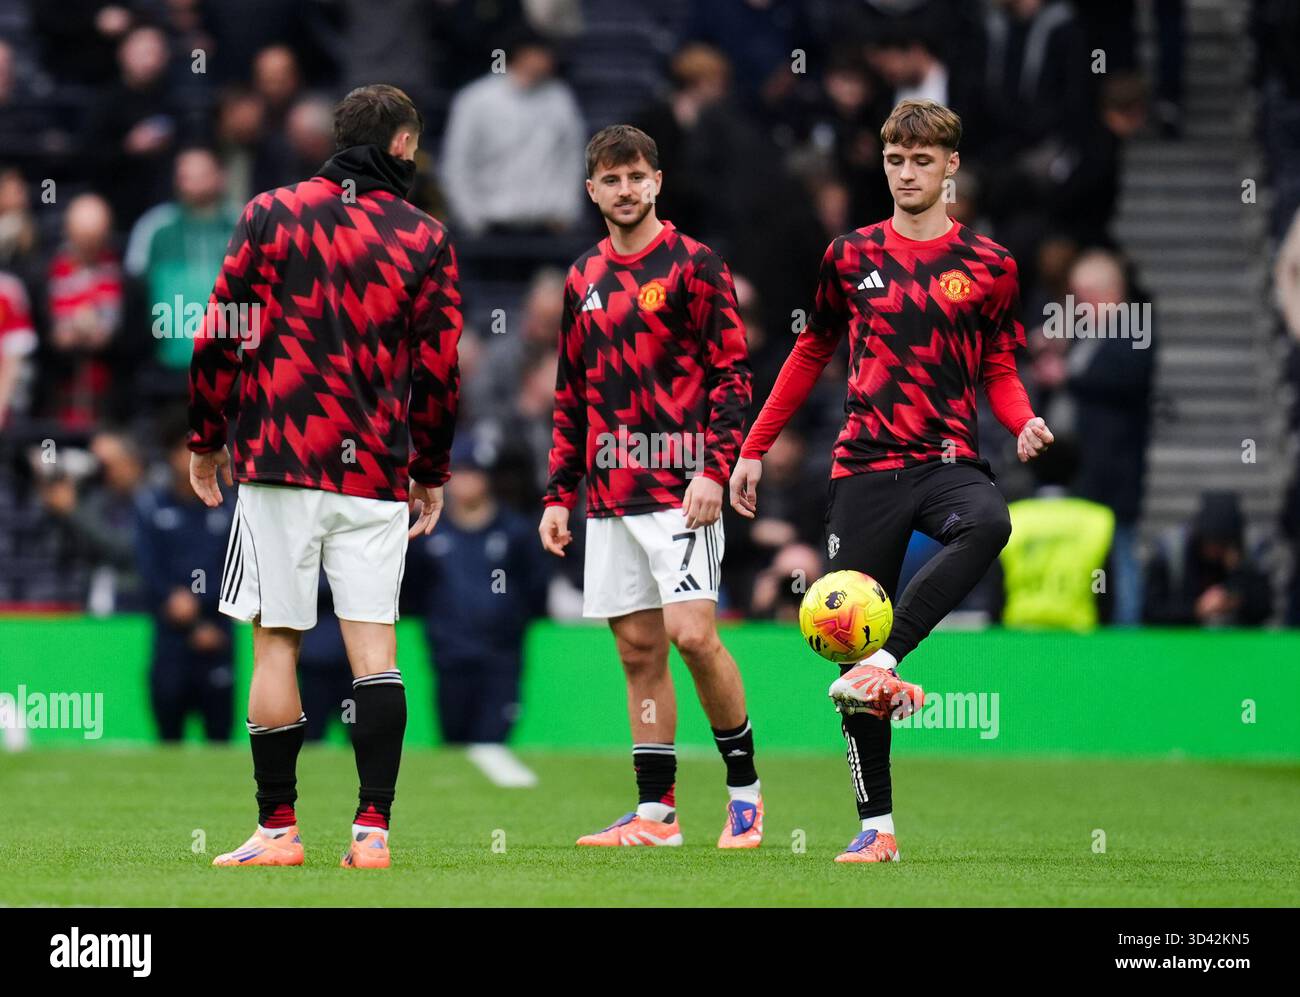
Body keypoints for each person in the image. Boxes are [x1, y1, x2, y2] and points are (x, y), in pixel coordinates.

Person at [731, 98, 1053, 863]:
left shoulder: (990, 265)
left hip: (947, 462)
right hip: (864, 466)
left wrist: (1023, 418)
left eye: (921, 160)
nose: (906, 173)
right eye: (894, 160)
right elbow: (810, 354)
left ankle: (889, 657)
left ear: (950, 167)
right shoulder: (848, 256)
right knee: (849, 638)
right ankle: (877, 827)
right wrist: (753, 446)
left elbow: (1000, 366)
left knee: (991, 523)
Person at [188, 84, 462, 870]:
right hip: (374, 470)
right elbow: (439, 371)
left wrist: (206, 438)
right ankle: (372, 831)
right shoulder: (425, 237)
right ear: (403, 146)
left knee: (276, 642)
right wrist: (429, 470)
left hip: (277, 459)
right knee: (376, 653)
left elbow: (220, 333)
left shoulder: (271, 212)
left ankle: (277, 830)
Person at [539, 124, 762, 848]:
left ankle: (745, 793)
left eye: (637, 176)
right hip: (607, 494)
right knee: (638, 651)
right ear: (592, 190)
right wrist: (556, 491)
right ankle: (656, 815)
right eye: (612, 179)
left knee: (694, 635)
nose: (626, 189)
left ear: (657, 181)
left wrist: (713, 468)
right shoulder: (582, 278)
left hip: (680, 486)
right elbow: (572, 392)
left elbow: (732, 374)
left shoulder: (695, 265)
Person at [405, 439, 549, 787]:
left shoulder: (514, 531)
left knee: (492, 741)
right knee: (454, 743)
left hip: (500, 658)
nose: (468, 482)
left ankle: (499, 826)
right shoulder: (428, 531)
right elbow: (413, 591)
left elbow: (535, 590)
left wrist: (508, 625)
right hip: (449, 656)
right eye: (461, 474)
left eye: (475, 474)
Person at [137, 416, 235, 742]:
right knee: (168, 733)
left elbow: (238, 565)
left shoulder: (229, 506)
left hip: (217, 633)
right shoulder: (152, 505)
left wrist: (208, 609)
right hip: (170, 635)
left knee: (219, 736)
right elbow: (147, 566)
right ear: (170, 456)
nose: (190, 458)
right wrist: (171, 599)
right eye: (184, 450)